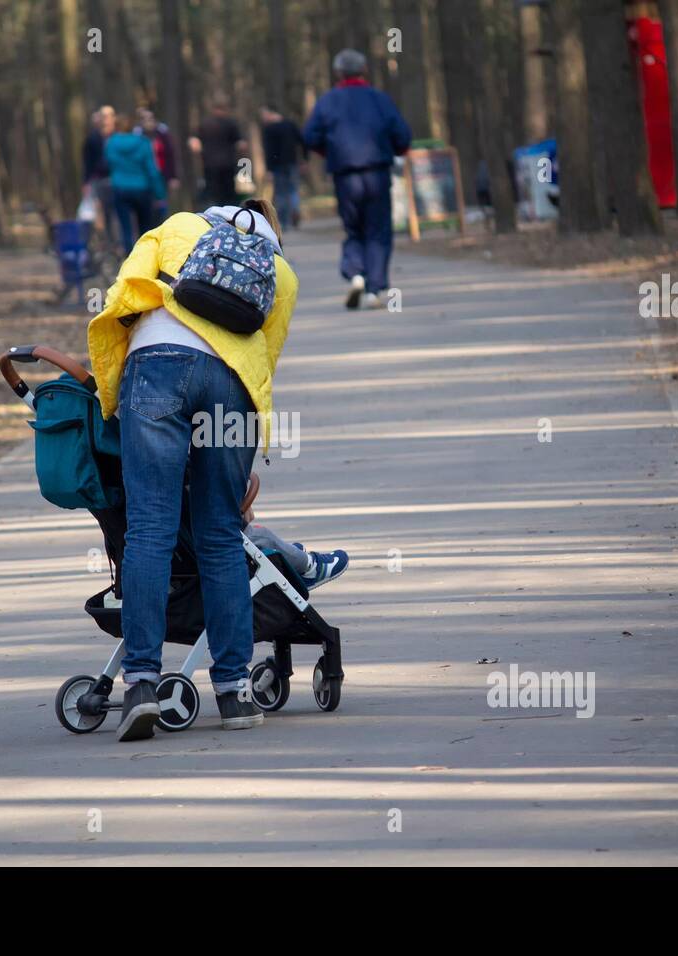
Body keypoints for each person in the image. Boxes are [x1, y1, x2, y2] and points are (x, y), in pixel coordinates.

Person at [88, 198, 298, 742]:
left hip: (157, 369)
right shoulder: (281, 271)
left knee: (151, 530)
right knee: (222, 535)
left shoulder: (173, 228)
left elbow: (124, 294)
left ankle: (139, 684)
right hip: (232, 387)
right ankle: (233, 692)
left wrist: (116, 383)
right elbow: (266, 355)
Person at [302, 49, 411, 309]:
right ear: (364, 71)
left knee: (353, 228)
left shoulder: (328, 101)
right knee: (378, 229)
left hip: (345, 175)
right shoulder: (379, 99)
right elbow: (402, 135)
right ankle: (374, 289)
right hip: (376, 172)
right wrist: (395, 151)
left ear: (338, 73)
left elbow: (310, 136)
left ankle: (356, 274)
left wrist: (330, 152)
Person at [103, 113, 166, 254]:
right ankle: (145, 259)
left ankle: (128, 259)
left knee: (125, 228)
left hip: (120, 188)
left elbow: (108, 165)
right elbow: (152, 170)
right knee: (145, 227)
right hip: (142, 189)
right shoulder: (143, 143)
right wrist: (160, 194)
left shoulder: (111, 143)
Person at [189, 94, 247, 207]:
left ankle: (212, 214)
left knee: (212, 192)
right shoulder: (231, 123)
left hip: (210, 164)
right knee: (228, 193)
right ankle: (228, 213)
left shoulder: (204, 124)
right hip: (227, 164)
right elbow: (241, 145)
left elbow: (194, 143)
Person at [259, 106, 306, 229]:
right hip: (292, 163)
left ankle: (284, 222)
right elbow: (302, 141)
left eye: (264, 114)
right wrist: (304, 159)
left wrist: (269, 169)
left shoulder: (269, 129)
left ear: (270, 113)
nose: (263, 117)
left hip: (277, 166)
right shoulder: (290, 125)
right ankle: (295, 211)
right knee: (293, 190)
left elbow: (269, 151)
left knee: (281, 194)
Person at [138, 107, 180, 222]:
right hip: (144, 177)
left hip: (162, 175)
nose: (148, 122)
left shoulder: (163, 135)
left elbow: (170, 155)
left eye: (150, 119)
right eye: (144, 119)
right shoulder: (137, 136)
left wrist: (173, 177)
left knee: (162, 206)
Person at [82, 106, 116, 240]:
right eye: (103, 116)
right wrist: (86, 183)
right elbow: (87, 163)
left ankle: (123, 245)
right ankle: (108, 244)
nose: (106, 120)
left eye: (109, 116)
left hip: (118, 180)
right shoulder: (92, 139)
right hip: (99, 181)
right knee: (102, 215)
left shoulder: (119, 137)